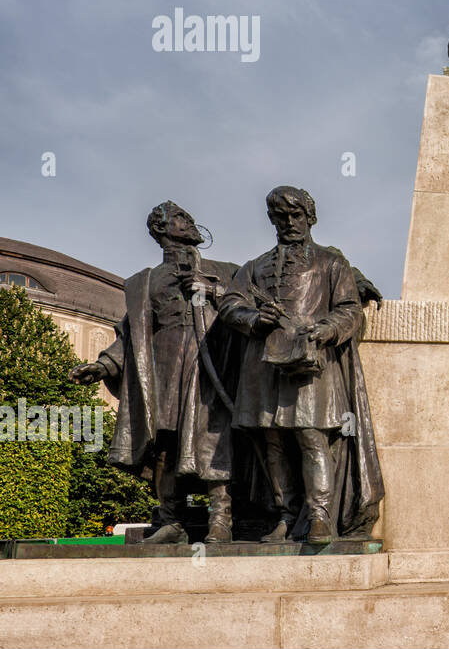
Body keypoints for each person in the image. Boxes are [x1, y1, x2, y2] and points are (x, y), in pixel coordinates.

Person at [219, 186, 384, 545]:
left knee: (312, 439)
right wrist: (254, 318)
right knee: (273, 444)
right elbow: (230, 305)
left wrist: (326, 329)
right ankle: (285, 515)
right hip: (263, 369)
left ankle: (319, 516)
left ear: (310, 218)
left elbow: (350, 309)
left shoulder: (331, 263)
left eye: (296, 216)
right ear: (271, 220)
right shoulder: (254, 267)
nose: (289, 223)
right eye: (281, 217)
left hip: (311, 368)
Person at [70, 201, 240, 544]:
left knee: (211, 435)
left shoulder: (225, 270)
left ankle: (221, 518)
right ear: (161, 229)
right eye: (179, 218)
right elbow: (131, 334)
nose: (189, 221)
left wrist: (214, 291)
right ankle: (170, 520)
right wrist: (103, 365)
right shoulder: (145, 282)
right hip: (160, 367)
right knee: (164, 444)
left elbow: (251, 303)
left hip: (208, 359)